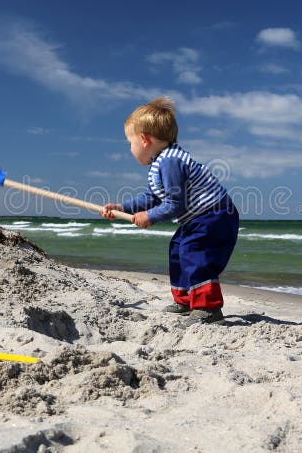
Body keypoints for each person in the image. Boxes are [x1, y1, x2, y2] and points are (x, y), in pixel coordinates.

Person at [101, 96, 239, 324]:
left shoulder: (170, 162)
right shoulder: (160, 162)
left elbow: (176, 204)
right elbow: (152, 197)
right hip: (200, 217)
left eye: (130, 143)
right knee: (178, 248)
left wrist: (150, 217)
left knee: (194, 252)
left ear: (144, 139)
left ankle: (208, 308)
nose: (130, 149)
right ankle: (185, 300)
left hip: (215, 214)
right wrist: (121, 208)